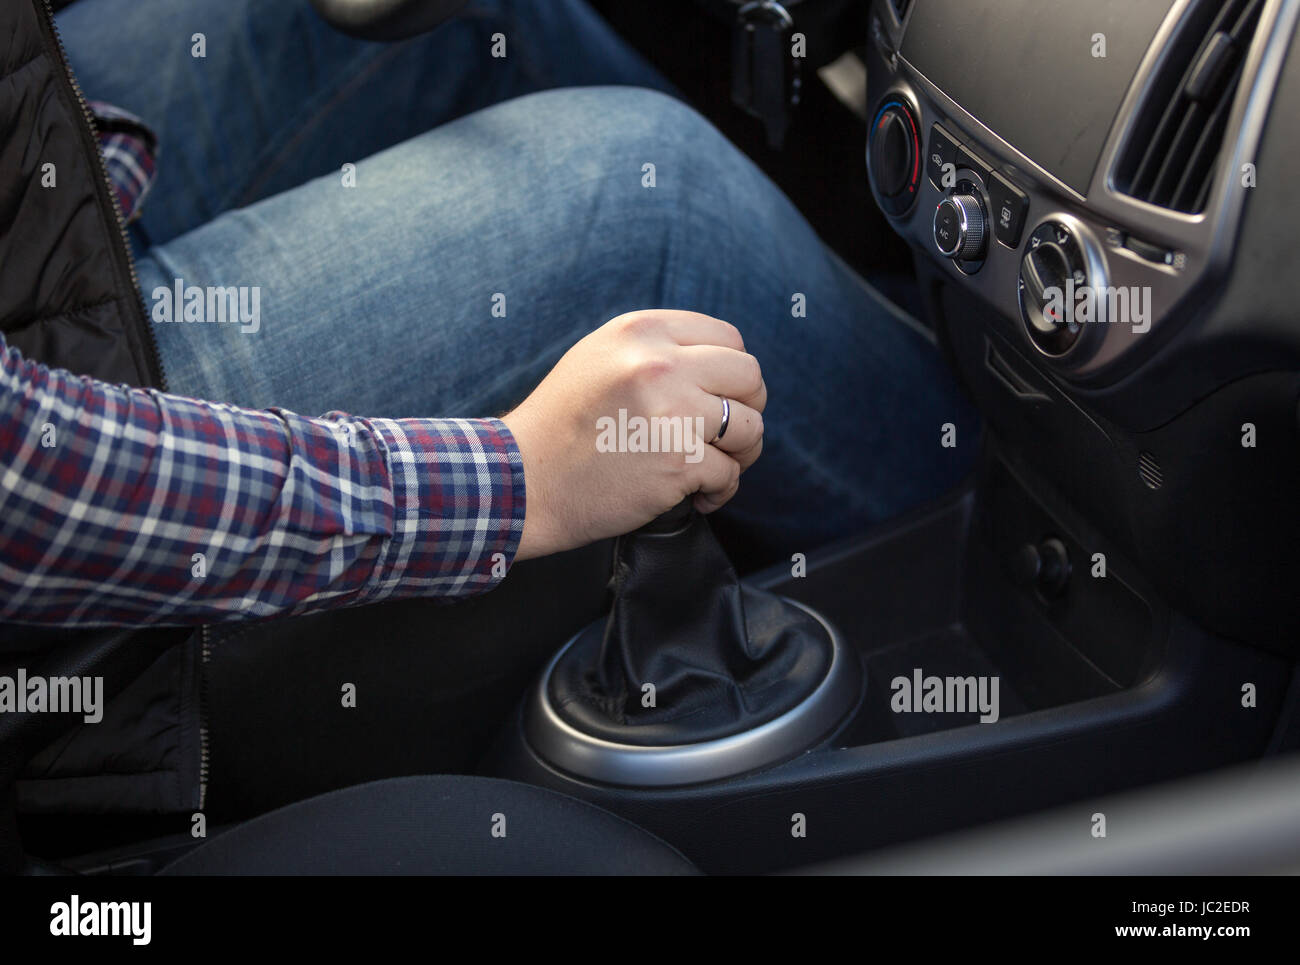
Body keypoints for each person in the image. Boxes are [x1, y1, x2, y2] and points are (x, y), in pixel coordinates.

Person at [1, 0, 977, 628]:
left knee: (463, 13)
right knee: (655, 201)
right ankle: (991, 526)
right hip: (54, 395)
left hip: (30, 163)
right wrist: (520, 482)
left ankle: (855, 307)